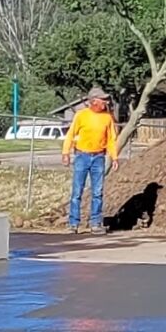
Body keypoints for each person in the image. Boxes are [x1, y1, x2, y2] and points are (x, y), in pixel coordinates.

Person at [62, 87, 118, 234]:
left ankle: (96, 223)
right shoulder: (81, 115)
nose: (106, 102)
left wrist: (114, 157)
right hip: (82, 156)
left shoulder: (107, 117)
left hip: (99, 157)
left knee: (97, 192)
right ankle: (73, 224)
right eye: (103, 100)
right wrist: (65, 153)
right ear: (93, 101)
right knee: (77, 191)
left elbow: (111, 139)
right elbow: (71, 134)